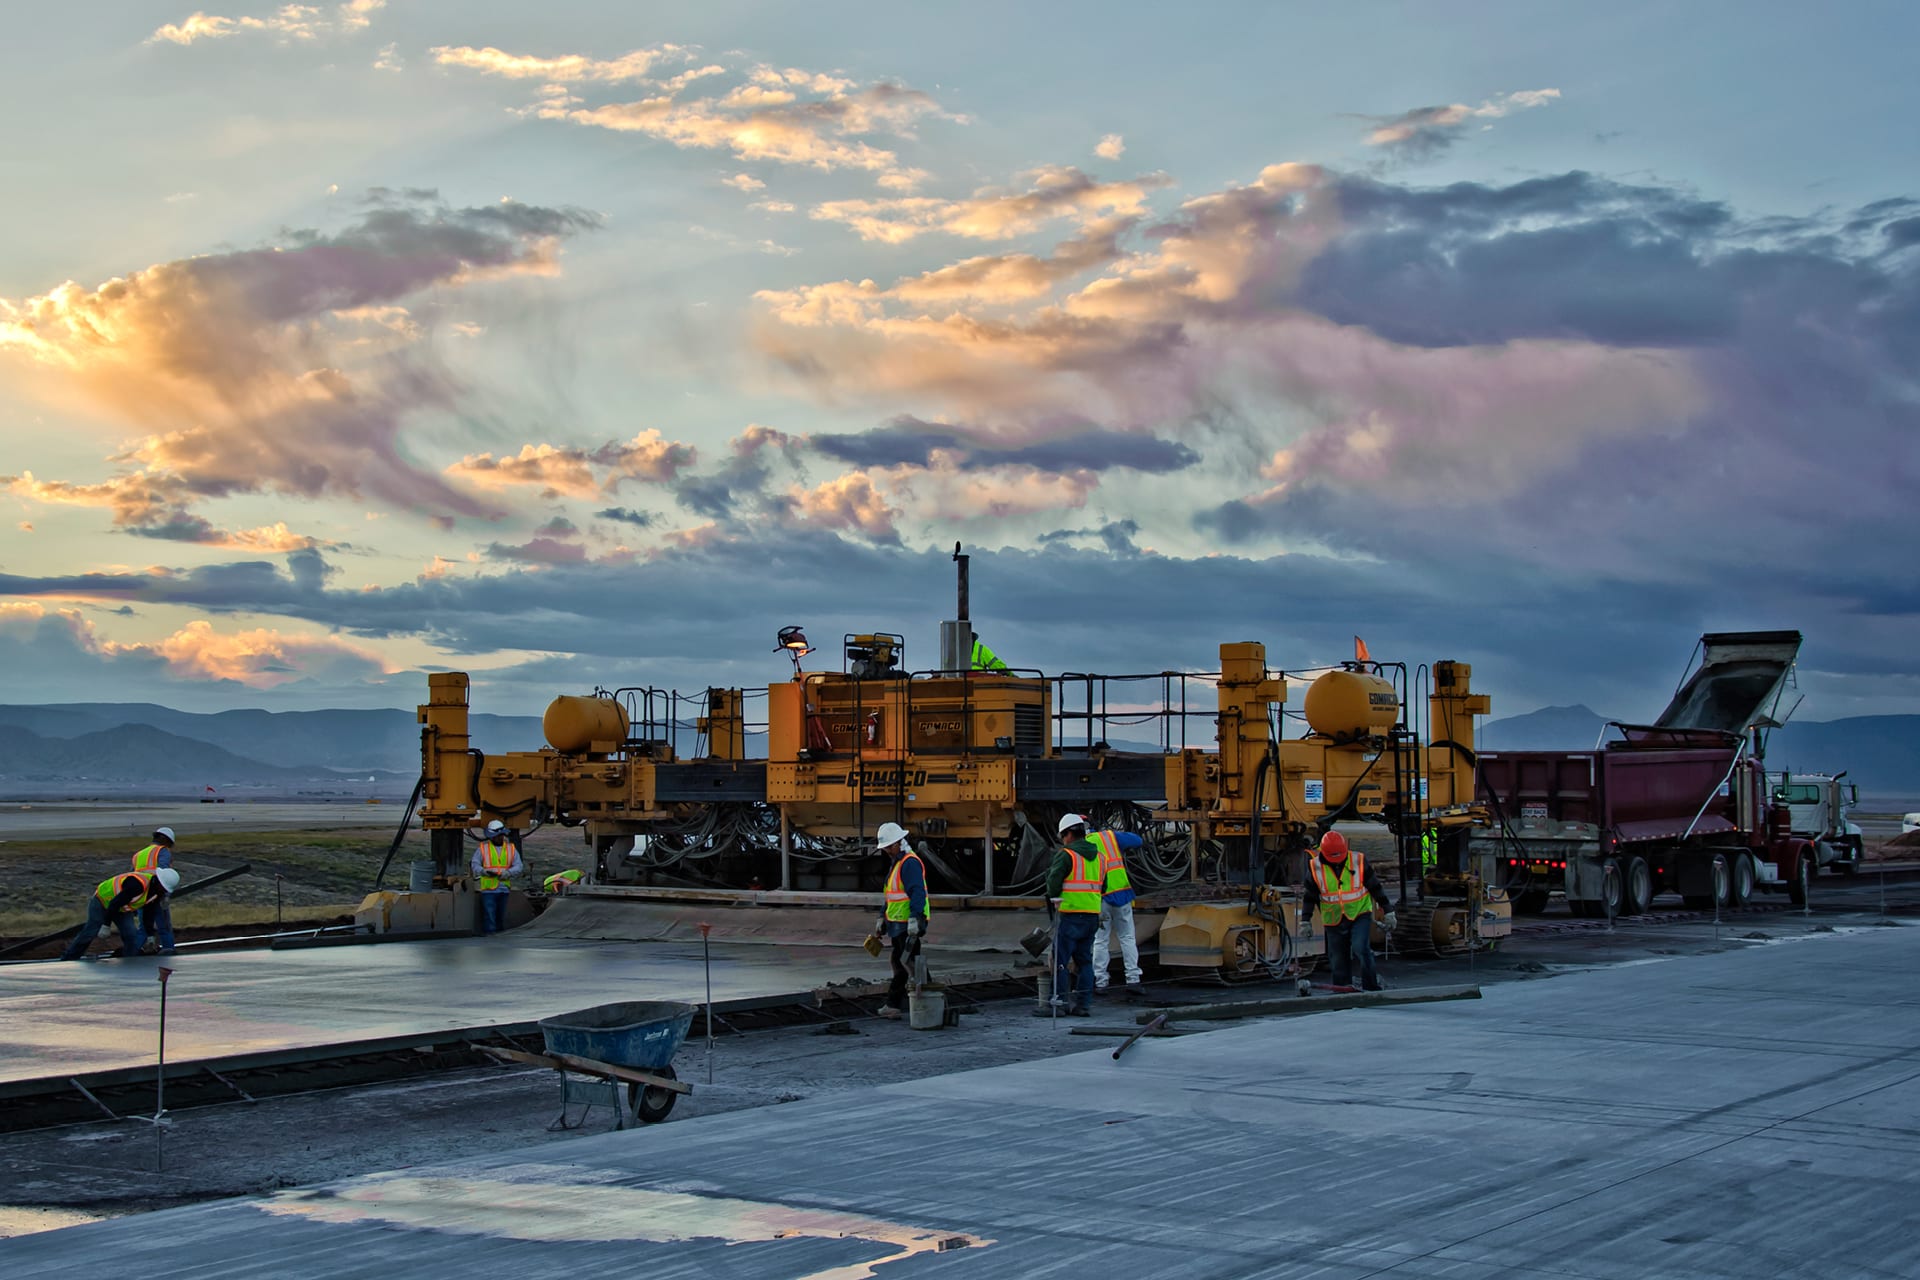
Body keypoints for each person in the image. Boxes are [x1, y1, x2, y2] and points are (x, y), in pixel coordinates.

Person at [1301, 831, 1396, 992]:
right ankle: (1342, 992)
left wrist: (1388, 910)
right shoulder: (1315, 867)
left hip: (1359, 913)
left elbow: (1375, 887)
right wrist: (1305, 921)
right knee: (1338, 958)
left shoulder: (1357, 861)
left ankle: (1371, 988)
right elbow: (1309, 897)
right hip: (1333, 918)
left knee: (1361, 948)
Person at [1039, 813, 1105, 1016]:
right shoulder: (1100, 857)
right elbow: (1103, 887)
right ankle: (1083, 1005)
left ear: (1068, 834)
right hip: (1092, 916)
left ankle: (1058, 1004)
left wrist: (1054, 896)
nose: (1063, 840)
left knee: (1060, 960)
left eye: (1062, 836)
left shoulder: (1066, 854)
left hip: (1070, 916)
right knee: (1085, 961)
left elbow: (1053, 884)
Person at [869, 822, 928, 1020]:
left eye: (888, 846)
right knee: (904, 962)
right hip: (897, 923)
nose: (886, 851)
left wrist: (915, 918)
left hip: (906, 923)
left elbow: (917, 892)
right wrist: (882, 917)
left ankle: (923, 1001)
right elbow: (892, 895)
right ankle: (922, 1001)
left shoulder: (909, 863)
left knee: (907, 962)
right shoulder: (897, 863)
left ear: (897, 843)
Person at [60, 868, 180, 960]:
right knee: (91, 930)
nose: (164, 891)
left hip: (121, 907)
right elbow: (114, 903)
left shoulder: (156, 893)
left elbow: (149, 912)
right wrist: (106, 925)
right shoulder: (137, 885)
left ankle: (130, 961)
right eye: (164, 888)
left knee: (131, 934)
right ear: (158, 881)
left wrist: (150, 934)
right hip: (102, 900)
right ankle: (69, 958)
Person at [1087, 825, 1145, 991]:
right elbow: (1137, 840)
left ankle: (1100, 981)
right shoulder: (1109, 837)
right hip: (1121, 895)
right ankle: (1133, 980)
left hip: (1100, 898)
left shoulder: (1080, 845)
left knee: (1100, 940)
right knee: (1127, 937)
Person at [130, 826, 179, 954]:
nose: (170, 847)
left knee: (143, 926)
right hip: (157, 893)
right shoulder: (162, 851)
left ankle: (132, 952)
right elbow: (163, 873)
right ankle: (168, 949)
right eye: (170, 843)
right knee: (164, 925)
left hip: (141, 894)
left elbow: (132, 876)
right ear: (164, 839)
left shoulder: (138, 855)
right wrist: (166, 895)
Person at [470, 819, 524, 935]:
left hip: (504, 888)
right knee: (489, 915)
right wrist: (483, 871)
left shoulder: (511, 849)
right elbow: (475, 864)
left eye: (501, 835)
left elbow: (518, 866)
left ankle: (499, 935)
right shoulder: (483, 849)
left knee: (500, 915)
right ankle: (490, 935)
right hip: (488, 889)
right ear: (491, 836)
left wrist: (508, 873)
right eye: (497, 835)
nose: (500, 838)